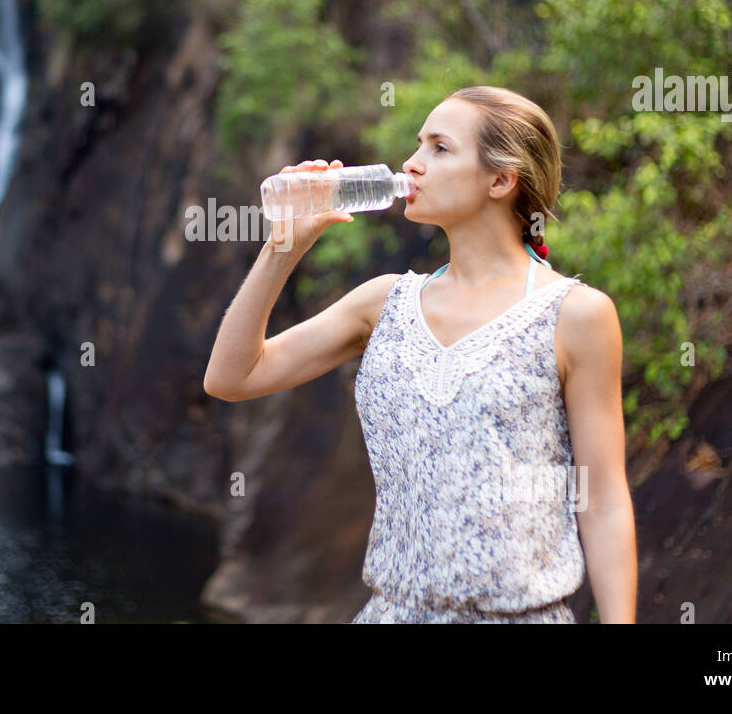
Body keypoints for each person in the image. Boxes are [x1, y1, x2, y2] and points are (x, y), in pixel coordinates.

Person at [203, 86, 637, 623]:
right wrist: (281, 249)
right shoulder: (382, 303)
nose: (411, 164)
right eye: (417, 145)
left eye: (440, 148)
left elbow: (603, 499)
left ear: (501, 180)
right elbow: (231, 377)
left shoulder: (576, 315)